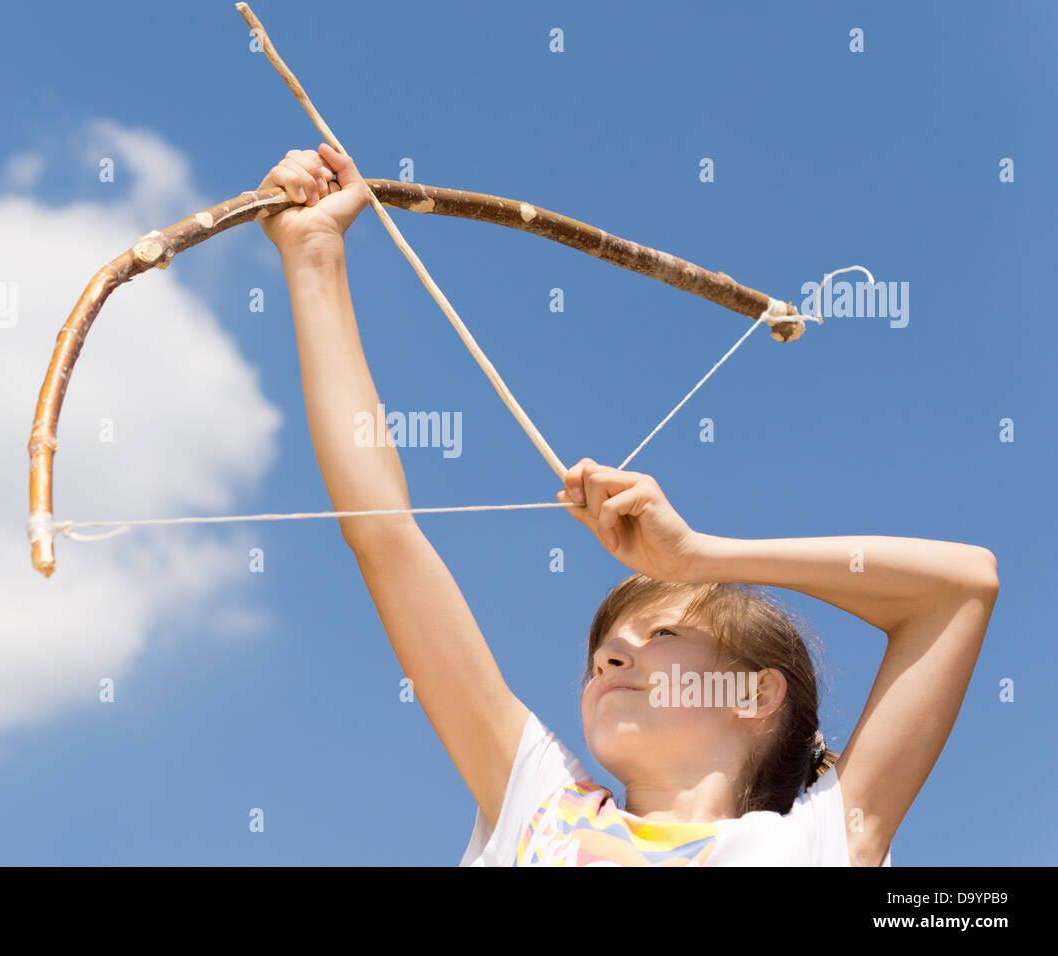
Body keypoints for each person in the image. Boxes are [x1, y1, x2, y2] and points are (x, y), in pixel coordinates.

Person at [257, 144, 1000, 867]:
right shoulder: (539, 806)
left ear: (756, 693)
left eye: (664, 633)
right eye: (609, 648)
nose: (608, 656)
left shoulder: (815, 846)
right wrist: (315, 255)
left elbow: (961, 587)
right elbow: (386, 537)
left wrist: (702, 557)